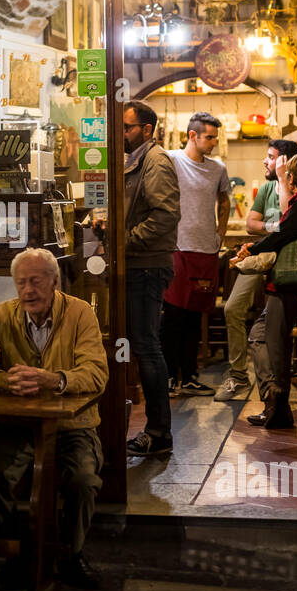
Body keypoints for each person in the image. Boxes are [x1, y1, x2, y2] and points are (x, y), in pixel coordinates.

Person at [0, 247, 108, 589]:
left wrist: (55, 379)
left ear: (54, 282)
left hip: (72, 425)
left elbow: (97, 373)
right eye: (22, 283)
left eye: (36, 281)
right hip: (18, 424)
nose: (28, 290)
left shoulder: (80, 312)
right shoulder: (0, 316)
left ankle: (71, 555)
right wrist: (0, 379)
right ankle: (17, 552)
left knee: (83, 479)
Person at [233, 153, 297, 429]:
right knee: (268, 337)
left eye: (288, 174)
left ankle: (275, 402)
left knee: (269, 340)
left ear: (294, 177)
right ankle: (276, 403)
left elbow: (283, 233)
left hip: (290, 283)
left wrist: (252, 247)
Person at [214, 138, 297, 402]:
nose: (265, 161)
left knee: (277, 322)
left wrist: (276, 226)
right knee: (232, 308)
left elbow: (292, 221)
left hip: (288, 263)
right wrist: (275, 229)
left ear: (285, 162)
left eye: (271, 156)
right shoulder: (265, 189)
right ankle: (238, 375)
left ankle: (278, 381)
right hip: (260, 256)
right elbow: (252, 223)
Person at [123, 101, 181, 458]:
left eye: (128, 128)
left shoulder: (155, 161)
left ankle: (159, 432)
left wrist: (124, 241)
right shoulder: (137, 160)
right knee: (143, 346)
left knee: (147, 347)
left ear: (147, 130)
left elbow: (165, 215)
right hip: (138, 264)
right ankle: (155, 430)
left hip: (145, 266)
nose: (123, 134)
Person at [160, 113, 231, 399]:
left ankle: (189, 376)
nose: (214, 142)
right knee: (173, 314)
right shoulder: (171, 160)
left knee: (194, 316)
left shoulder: (218, 169)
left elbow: (224, 201)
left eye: (216, 137)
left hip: (206, 249)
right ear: (193, 135)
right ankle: (167, 377)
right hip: (176, 247)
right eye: (210, 137)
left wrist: (220, 235)